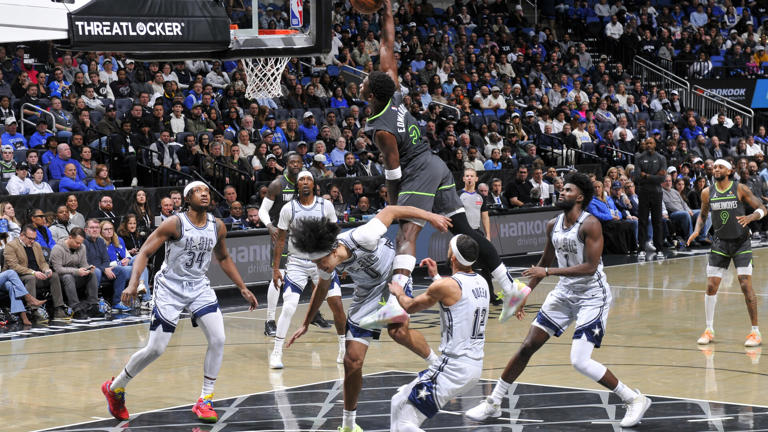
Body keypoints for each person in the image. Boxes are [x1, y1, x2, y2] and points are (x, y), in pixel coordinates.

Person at [360, 0, 525, 328]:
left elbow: (393, 172)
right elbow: (387, 46)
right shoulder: (393, 93)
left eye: (365, 83)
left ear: (372, 95)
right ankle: (511, 287)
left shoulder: (381, 129)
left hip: (419, 170)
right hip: (436, 164)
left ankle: (395, 303)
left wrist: (395, 208)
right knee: (464, 231)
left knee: (405, 234)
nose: (362, 82)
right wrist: (387, 11)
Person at [464, 173, 652, 429]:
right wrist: (523, 295)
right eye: (562, 189)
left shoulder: (591, 224)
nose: (562, 192)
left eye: (568, 190)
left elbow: (590, 267)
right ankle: (493, 402)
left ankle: (633, 399)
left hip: (592, 295)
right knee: (527, 345)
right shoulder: (553, 224)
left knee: (579, 361)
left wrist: (548, 272)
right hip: (564, 292)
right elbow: (544, 262)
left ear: (580, 197)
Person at [102, 181, 258, 423]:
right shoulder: (175, 223)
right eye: (198, 191)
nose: (204, 194)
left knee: (218, 338)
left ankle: (205, 399)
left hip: (198, 287)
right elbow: (144, 252)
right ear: (187, 198)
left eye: (207, 191)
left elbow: (224, 257)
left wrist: (242, 287)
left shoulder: (217, 226)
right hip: (170, 288)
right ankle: (116, 388)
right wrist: (133, 284)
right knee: (156, 348)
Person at [286, 205, 452, 432]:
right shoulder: (326, 262)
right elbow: (321, 288)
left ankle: (437, 365)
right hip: (366, 294)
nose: (319, 267)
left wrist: (430, 215)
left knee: (398, 332)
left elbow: (392, 210)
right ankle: (348, 425)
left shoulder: (363, 236)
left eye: (320, 261)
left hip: (394, 278)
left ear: (333, 251)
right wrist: (306, 322)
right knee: (351, 361)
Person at [388, 234, 489, 432]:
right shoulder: (481, 282)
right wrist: (435, 276)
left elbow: (409, 306)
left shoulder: (446, 286)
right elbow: (456, 297)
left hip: (453, 367)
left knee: (404, 422)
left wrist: (398, 292)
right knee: (398, 400)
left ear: (453, 257)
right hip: (473, 366)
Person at [269, 171, 347, 369]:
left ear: (314, 185)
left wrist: (338, 262)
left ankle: (343, 348)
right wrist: (276, 269)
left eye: (308, 179)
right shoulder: (289, 208)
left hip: (323, 261)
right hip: (297, 263)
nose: (305, 182)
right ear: (297, 185)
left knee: (337, 304)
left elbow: (334, 236)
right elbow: (280, 240)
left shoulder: (325, 205)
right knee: (289, 306)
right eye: (301, 179)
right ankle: (277, 352)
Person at [687, 159, 765, 347]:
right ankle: (709, 329)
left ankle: (755, 332)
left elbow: (762, 208)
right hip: (720, 243)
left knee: (745, 285)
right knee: (711, 286)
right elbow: (703, 215)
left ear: (729, 171)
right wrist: (697, 230)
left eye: (720, 167)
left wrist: (751, 217)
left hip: (741, 243)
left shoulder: (740, 189)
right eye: (714, 167)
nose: (716, 169)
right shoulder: (707, 192)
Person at [260, 153, 330, 336]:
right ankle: (269, 321)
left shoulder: (306, 183)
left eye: (299, 162)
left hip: (305, 238)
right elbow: (262, 210)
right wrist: (269, 226)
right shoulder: (277, 184)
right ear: (286, 164)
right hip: (283, 237)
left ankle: (314, 314)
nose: (296, 165)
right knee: (279, 276)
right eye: (292, 162)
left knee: (317, 276)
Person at [4, 223, 68, 321]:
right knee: (31, 278)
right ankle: (33, 310)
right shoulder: (11, 246)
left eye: (34, 238)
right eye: (30, 238)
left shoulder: (36, 245)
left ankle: (58, 308)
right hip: (18, 277)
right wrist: (33, 272)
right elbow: (14, 266)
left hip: (37, 275)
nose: (32, 241)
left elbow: (42, 263)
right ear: (22, 235)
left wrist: (46, 269)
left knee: (54, 276)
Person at [49, 227, 102, 321]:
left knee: (92, 275)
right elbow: (58, 269)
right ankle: (76, 308)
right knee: (68, 277)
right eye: (77, 243)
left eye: (81, 243)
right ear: (70, 237)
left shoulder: (82, 247)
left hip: (75, 275)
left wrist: (88, 268)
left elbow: (83, 264)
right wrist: (77, 271)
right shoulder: (57, 249)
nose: (79, 245)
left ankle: (93, 305)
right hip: (59, 278)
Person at [634, 137, 667, 260]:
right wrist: (654, 176)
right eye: (646, 143)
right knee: (642, 221)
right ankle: (641, 249)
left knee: (657, 222)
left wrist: (646, 175)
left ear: (655, 144)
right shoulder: (639, 157)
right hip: (643, 192)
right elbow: (637, 177)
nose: (648, 145)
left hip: (657, 193)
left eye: (651, 143)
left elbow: (662, 178)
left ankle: (659, 249)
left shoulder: (661, 158)